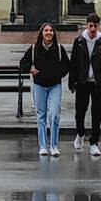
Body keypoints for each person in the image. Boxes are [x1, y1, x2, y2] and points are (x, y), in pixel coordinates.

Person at [20, 23, 70, 158]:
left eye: (51, 31)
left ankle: (54, 145)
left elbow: (66, 65)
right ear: (42, 33)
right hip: (39, 85)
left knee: (54, 114)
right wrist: (30, 70)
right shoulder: (34, 48)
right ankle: (43, 145)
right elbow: (23, 63)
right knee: (41, 115)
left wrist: (58, 74)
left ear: (54, 33)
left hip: (55, 86)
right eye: (46, 31)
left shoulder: (59, 49)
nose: (48, 33)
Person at [69, 11, 101, 157]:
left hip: (96, 83)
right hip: (82, 82)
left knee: (96, 113)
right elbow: (73, 62)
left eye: (95, 26)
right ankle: (80, 134)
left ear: (99, 26)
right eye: (90, 25)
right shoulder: (79, 41)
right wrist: (72, 82)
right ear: (86, 25)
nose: (93, 29)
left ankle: (94, 143)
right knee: (80, 111)